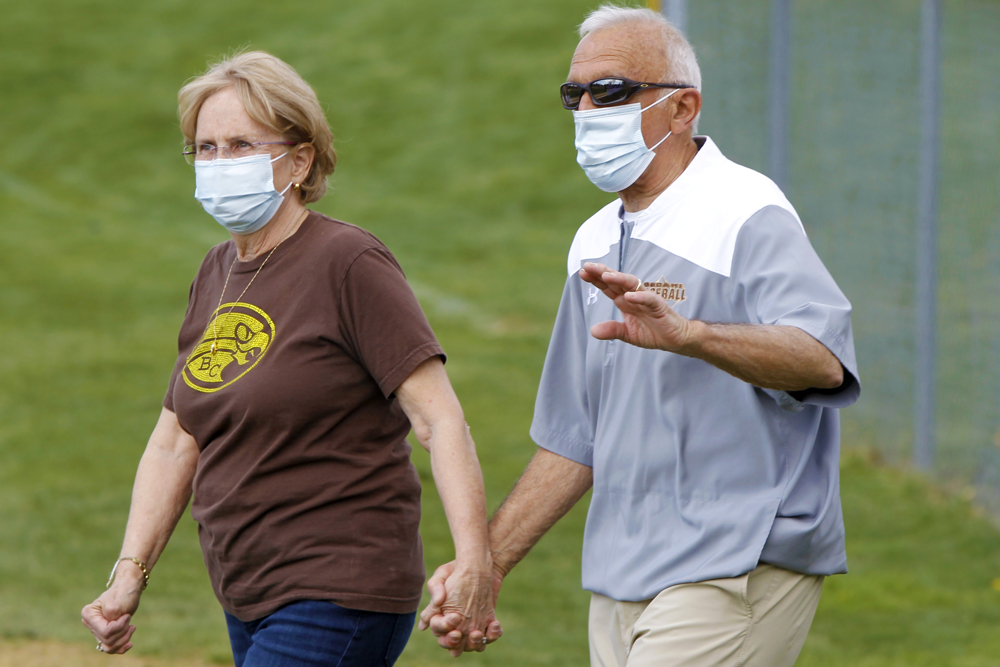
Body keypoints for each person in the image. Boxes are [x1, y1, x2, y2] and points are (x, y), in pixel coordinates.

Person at [420, 5, 860, 666]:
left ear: (684, 109)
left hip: (735, 558)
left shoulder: (746, 210)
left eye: (613, 91)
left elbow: (823, 360)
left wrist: (695, 336)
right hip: (623, 572)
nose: (588, 109)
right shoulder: (593, 240)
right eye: (576, 95)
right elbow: (576, 437)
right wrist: (486, 564)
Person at [80, 51, 497, 666]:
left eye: (243, 145)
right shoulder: (217, 271)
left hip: (338, 591)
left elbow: (440, 420)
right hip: (248, 594)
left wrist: (475, 563)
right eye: (207, 148)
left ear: (299, 160)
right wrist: (128, 577)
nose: (220, 163)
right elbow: (175, 439)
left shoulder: (347, 261)